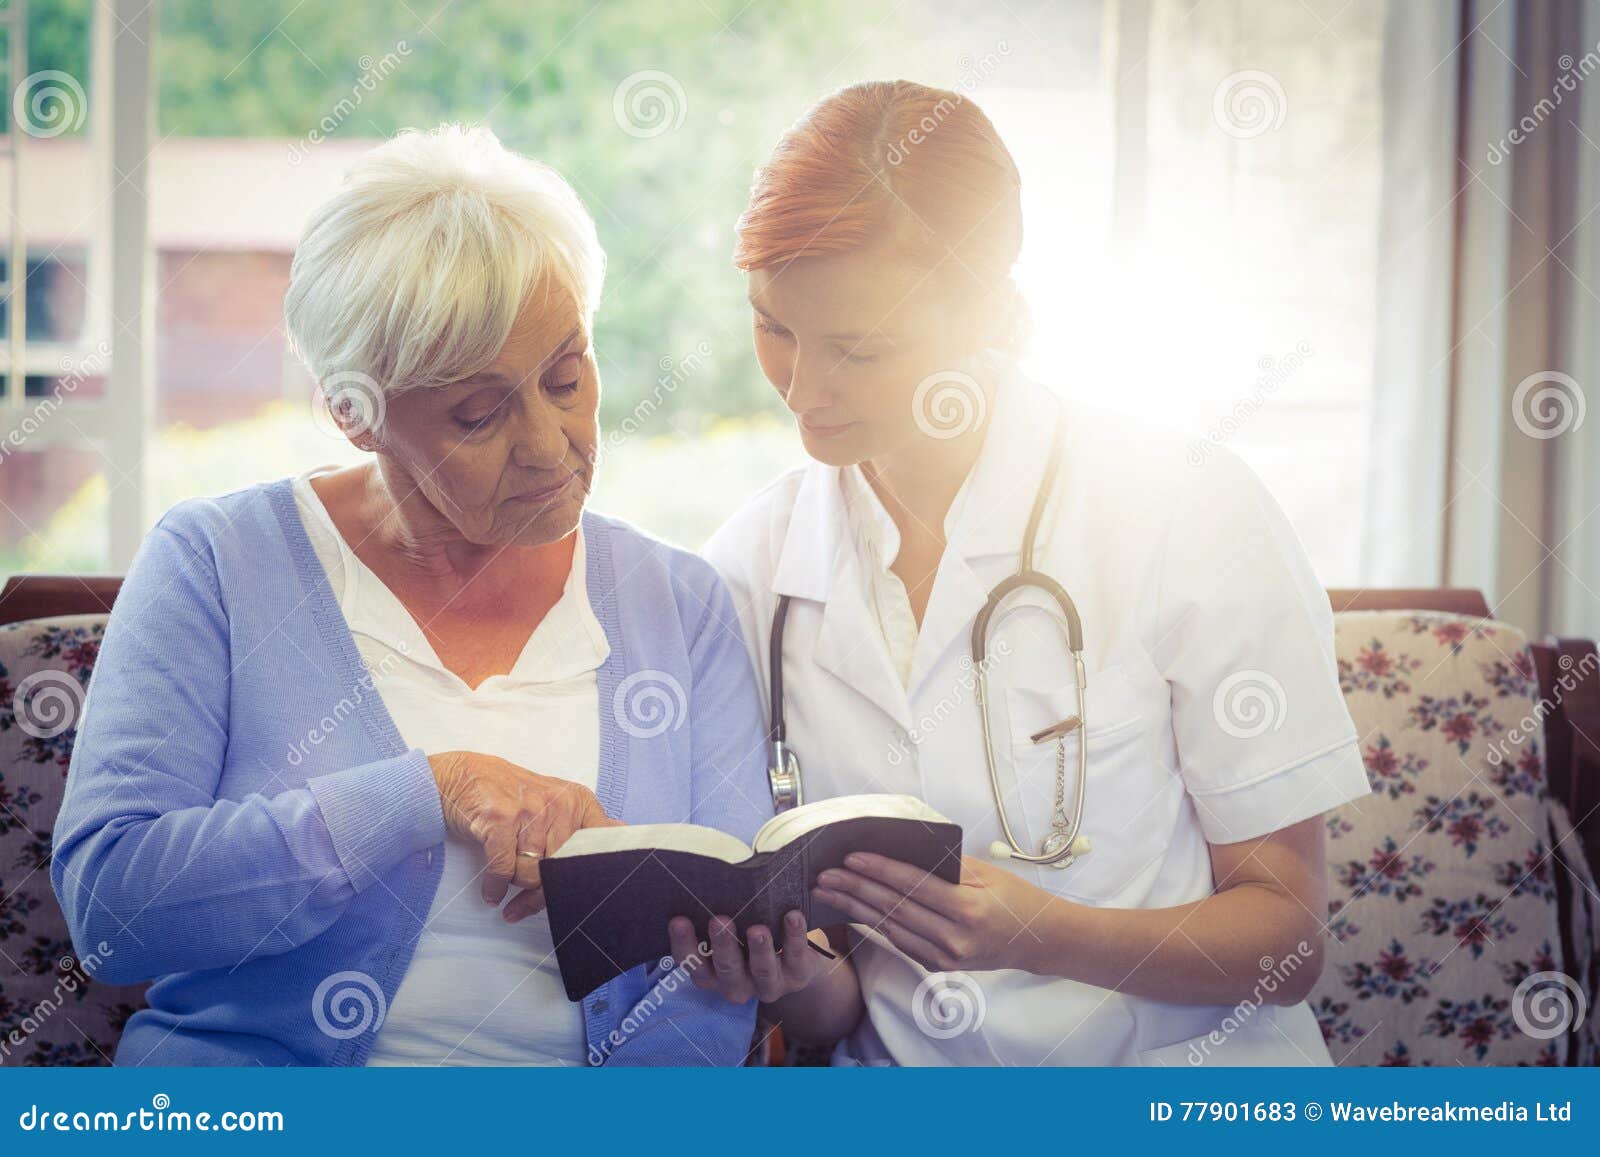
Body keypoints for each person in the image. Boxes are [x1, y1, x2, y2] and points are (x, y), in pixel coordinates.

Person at [50, 125, 839, 1067]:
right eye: (477, 413)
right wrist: (429, 789)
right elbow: (113, 912)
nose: (551, 446)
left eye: (566, 377)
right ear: (356, 414)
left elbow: (751, 923)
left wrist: (768, 955)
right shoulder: (217, 564)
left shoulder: (680, 601)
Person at [704, 81, 1372, 1065]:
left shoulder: (1187, 505)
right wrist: (788, 973)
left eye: (859, 348)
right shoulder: (753, 565)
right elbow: (838, 1003)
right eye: (775, 328)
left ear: (988, 318)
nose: (803, 390)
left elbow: (1289, 939)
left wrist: (1045, 933)